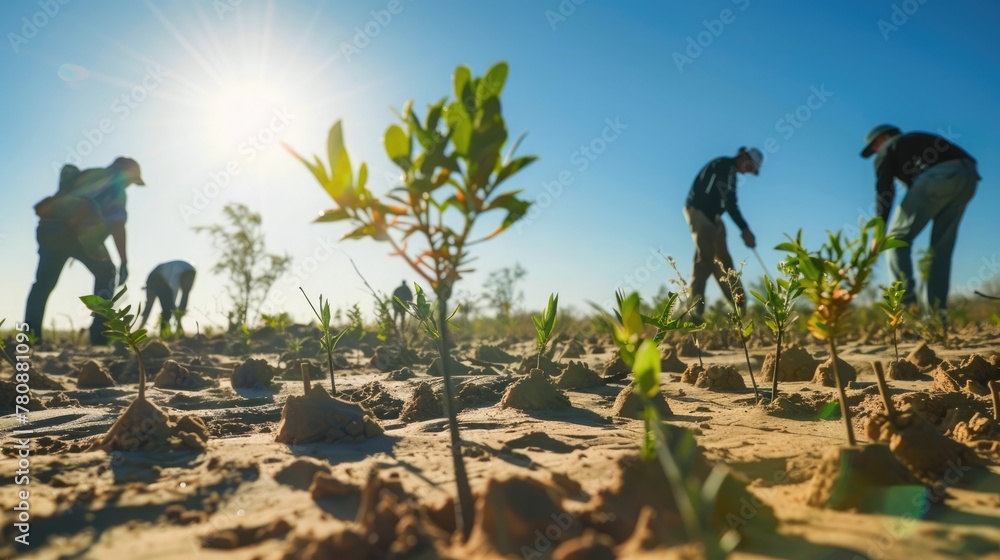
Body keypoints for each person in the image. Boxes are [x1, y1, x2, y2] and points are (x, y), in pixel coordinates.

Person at [25, 157, 145, 345]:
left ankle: (30, 339)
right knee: (107, 272)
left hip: (50, 231)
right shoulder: (116, 186)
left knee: (42, 285)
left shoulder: (90, 174)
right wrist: (124, 262)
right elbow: (117, 224)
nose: (130, 185)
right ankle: (99, 336)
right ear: (126, 172)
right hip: (82, 236)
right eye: (132, 180)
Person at [860, 124, 979, 312]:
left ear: (883, 138)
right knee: (941, 248)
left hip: (936, 178)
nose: (875, 152)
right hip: (968, 177)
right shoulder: (916, 140)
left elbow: (885, 190)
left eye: (874, 147)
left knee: (895, 240)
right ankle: (936, 315)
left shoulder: (889, 147)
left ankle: (907, 312)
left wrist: (879, 230)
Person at [683, 147, 762, 319]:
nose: (748, 172)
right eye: (749, 166)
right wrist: (744, 228)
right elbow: (727, 201)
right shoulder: (724, 166)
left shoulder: (731, 173)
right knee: (705, 260)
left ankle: (740, 308)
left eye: (751, 170)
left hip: (715, 218)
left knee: (724, 261)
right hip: (699, 211)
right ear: (744, 156)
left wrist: (744, 228)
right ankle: (694, 313)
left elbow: (730, 201)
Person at [140, 261, 196, 333]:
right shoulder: (177, 273)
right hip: (156, 276)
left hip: (161, 276)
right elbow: (171, 294)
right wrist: (176, 316)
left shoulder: (190, 271)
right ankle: (141, 329)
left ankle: (167, 332)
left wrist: (178, 316)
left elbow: (184, 296)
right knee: (163, 307)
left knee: (182, 297)